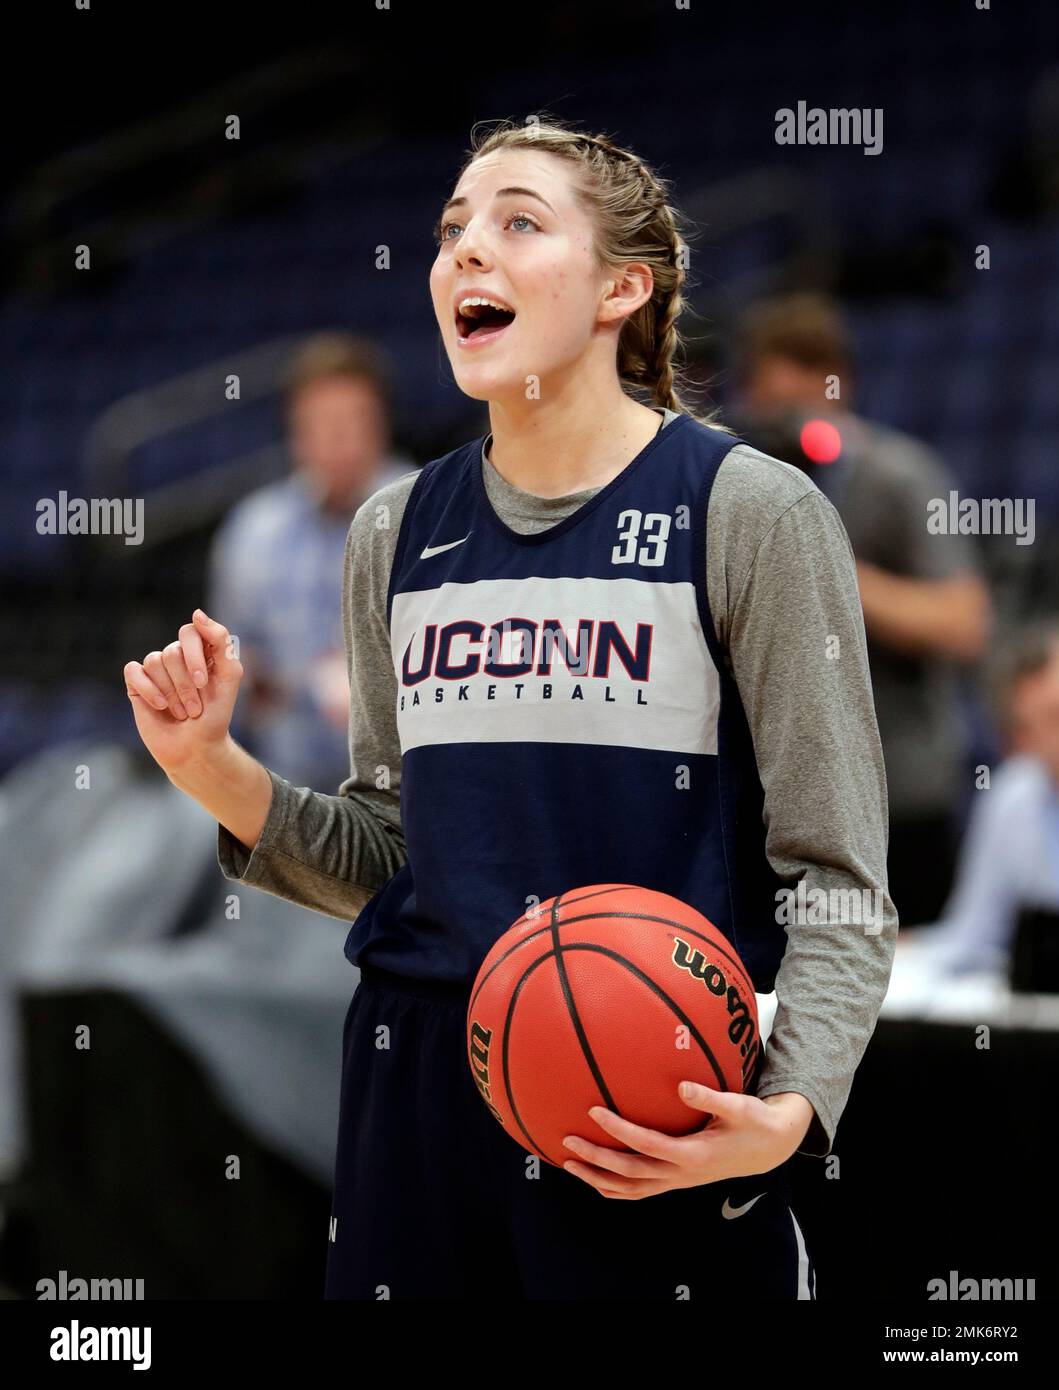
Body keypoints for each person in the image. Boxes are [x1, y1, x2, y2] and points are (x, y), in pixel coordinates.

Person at [122, 117, 898, 1301]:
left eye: (517, 222)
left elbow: (837, 875)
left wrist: (792, 1110)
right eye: (450, 231)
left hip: (647, 1091)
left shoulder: (752, 514)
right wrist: (209, 764)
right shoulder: (393, 529)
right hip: (419, 1092)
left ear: (620, 289)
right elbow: (398, 853)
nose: (464, 253)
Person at [734, 293, 992, 927]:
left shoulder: (899, 476)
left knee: (902, 1002)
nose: (786, 431)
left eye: (797, 411)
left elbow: (965, 624)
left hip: (899, 798)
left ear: (838, 386)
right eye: (770, 413)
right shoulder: (738, 487)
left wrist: (833, 572)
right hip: (784, 800)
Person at [207, 334, 415, 793]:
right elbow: (229, 649)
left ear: (379, 424)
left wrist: (374, 685)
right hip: (285, 788)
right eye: (319, 423)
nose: (335, 439)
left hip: (405, 791)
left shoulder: (428, 511)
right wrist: (255, 679)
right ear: (296, 429)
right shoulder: (253, 530)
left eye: (349, 422)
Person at [913, 618, 1059, 975]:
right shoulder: (1010, 798)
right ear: (1023, 739)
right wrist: (899, 947)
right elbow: (972, 935)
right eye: (1055, 717)